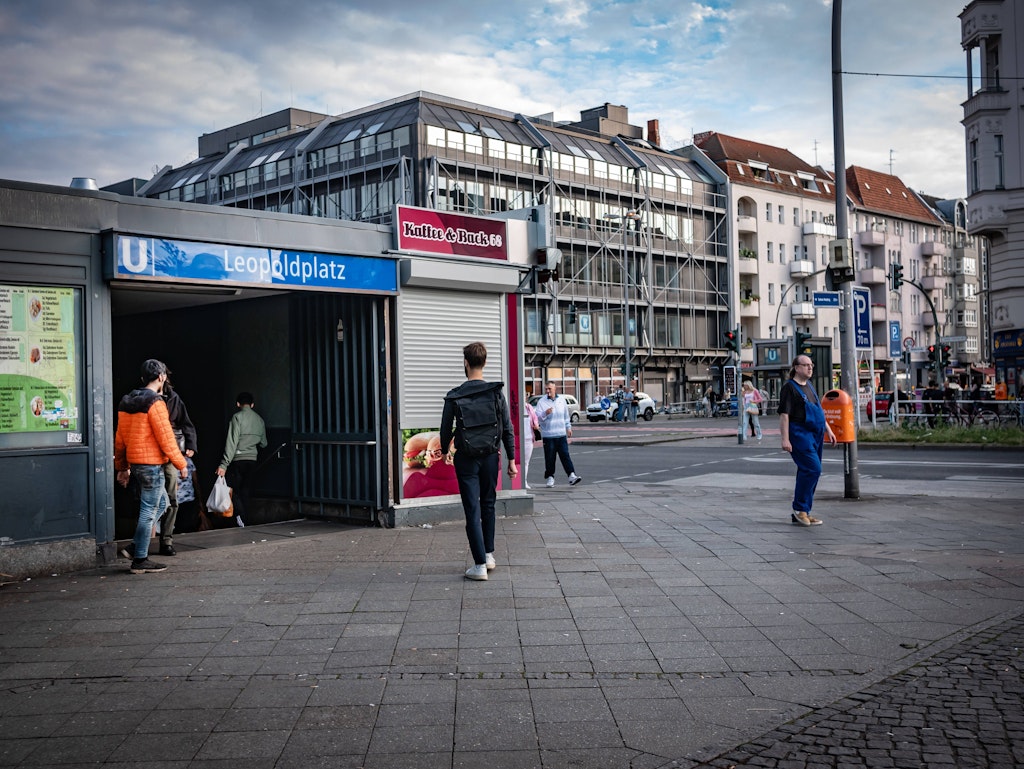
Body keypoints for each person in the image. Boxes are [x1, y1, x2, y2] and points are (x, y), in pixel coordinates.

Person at [440, 342, 517, 581]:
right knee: (489, 505)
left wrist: (445, 450)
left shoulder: (455, 395)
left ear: (466, 363)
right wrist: (512, 459)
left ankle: (479, 565)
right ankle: (489, 555)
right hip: (490, 458)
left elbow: (445, 429)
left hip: (466, 459)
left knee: (472, 510)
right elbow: (507, 427)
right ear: (484, 363)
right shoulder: (495, 392)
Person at [114, 359, 188, 574]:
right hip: (152, 464)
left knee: (163, 503)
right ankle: (140, 560)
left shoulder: (127, 401)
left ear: (141, 378)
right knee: (148, 511)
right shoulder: (156, 403)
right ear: (162, 377)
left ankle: (136, 545)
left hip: (137, 464)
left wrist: (122, 466)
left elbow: (120, 439)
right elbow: (166, 438)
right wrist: (181, 463)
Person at [778, 355, 836, 526]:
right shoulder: (789, 388)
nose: (810, 368)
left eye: (812, 365)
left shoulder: (809, 386)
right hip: (800, 434)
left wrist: (828, 429)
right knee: (813, 469)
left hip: (815, 434)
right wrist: (785, 439)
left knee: (808, 471)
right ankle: (799, 509)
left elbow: (819, 410)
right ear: (796, 367)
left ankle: (805, 511)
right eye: (806, 365)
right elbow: (784, 415)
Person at [157, 378, 197, 556]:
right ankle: (141, 543)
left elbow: (186, 422)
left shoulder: (173, 399)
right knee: (150, 501)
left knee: (172, 499)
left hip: (168, 454)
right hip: (150, 454)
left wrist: (190, 444)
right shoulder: (141, 399)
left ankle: (166, 540)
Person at [216, 391, 267, 525]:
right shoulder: (259, 420)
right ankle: (246, 519)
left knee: (235, 490)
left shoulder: (236, 418)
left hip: (238, 459)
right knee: (246, 489)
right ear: (252, 404)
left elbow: (231, 442)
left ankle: (240, 517)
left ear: (238, 404)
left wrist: (224, 464)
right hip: (252, 460)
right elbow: (264, 443)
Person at [535, 380, 582, 488]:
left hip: (561, 434)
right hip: (549, 435)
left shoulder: (561, 400)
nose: (547, 391)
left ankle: (571, 475)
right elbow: (538, 418)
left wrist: (568, 427)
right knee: (550, 457)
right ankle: (550, 477)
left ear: (555, 389)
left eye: (549, 389)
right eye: (546, 389)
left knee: (565, 455)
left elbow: (566, 415)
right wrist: (545, 413)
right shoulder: (542, 402)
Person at [523, 400, 539, 490]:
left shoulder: (529, 407)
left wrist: (536, 425)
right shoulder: (515, 407)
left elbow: (535, 418)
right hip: (518, 439)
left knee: (526, 462)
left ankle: (524, 481)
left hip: (529, 438)